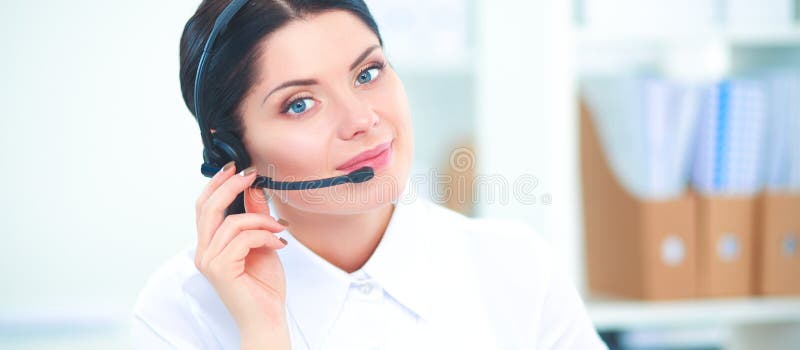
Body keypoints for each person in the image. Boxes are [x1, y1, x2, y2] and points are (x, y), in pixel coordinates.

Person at [132, 0, 608, 349]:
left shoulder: (515, 268)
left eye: (368, 73)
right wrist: (263, 332)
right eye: (300, 104)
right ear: (228, 147)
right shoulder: (180, 310)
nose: (361, 118)